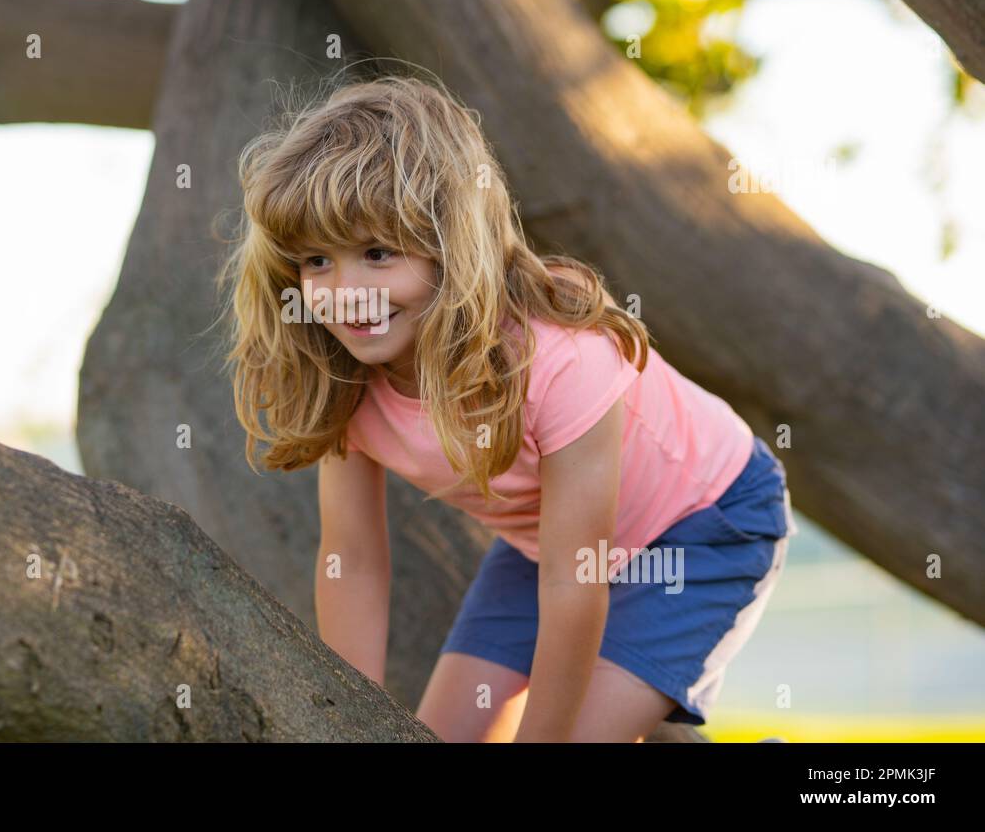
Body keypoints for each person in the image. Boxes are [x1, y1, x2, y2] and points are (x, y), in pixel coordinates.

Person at [214, 71, 797, 742]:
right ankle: (653, 721)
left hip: (702, 527)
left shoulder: (560, 358)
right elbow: (353, 560)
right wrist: (347, 725)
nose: (346, 291)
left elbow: (576, 586)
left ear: (452, 248)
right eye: (317, 261)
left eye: (377, 253)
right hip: (544, 545)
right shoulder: (341, 376)